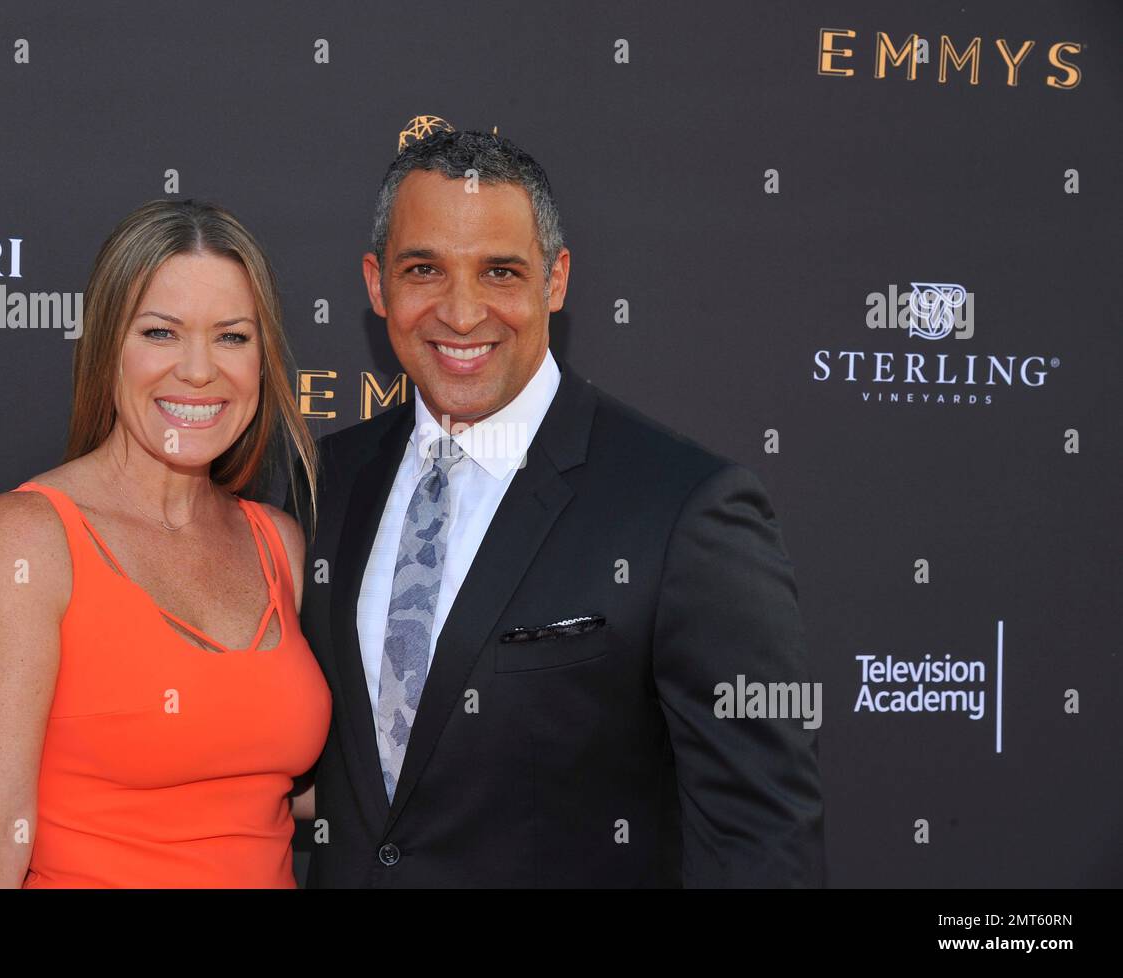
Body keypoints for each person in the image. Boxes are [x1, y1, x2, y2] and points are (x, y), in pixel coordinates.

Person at [286, 130, 825, 887]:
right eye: (424, 270)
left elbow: (760, 839)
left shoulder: (682, 509)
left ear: (556, 280)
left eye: (500, 271)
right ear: (377, 286)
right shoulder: (323, 481)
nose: (463, 312)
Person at [0, 199, 330, 887]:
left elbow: (277, 788)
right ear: (107, 343)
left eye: (232, 337)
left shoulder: (279, 544)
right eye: (161, 333)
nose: (199, 371)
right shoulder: (29, 542)